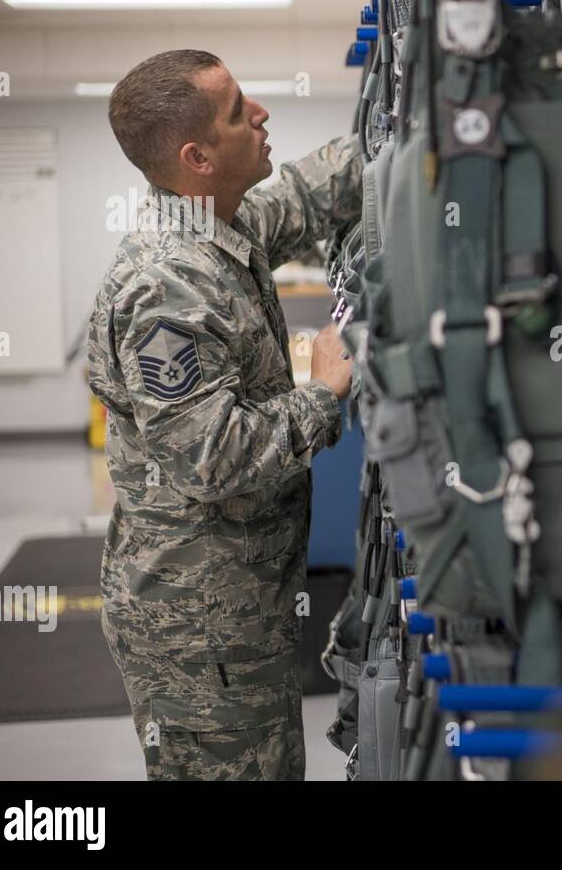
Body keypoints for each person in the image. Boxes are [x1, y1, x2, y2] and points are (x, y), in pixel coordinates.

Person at [86, 49, 360, 779]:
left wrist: (400, 143)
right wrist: (324, 390)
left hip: (238, 607)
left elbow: (303, 196)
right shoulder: (167, 287)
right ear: (197, 156)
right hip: (200, 627)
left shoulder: (215, 229)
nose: (262, 114)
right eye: (240, 110)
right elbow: (216, 459)